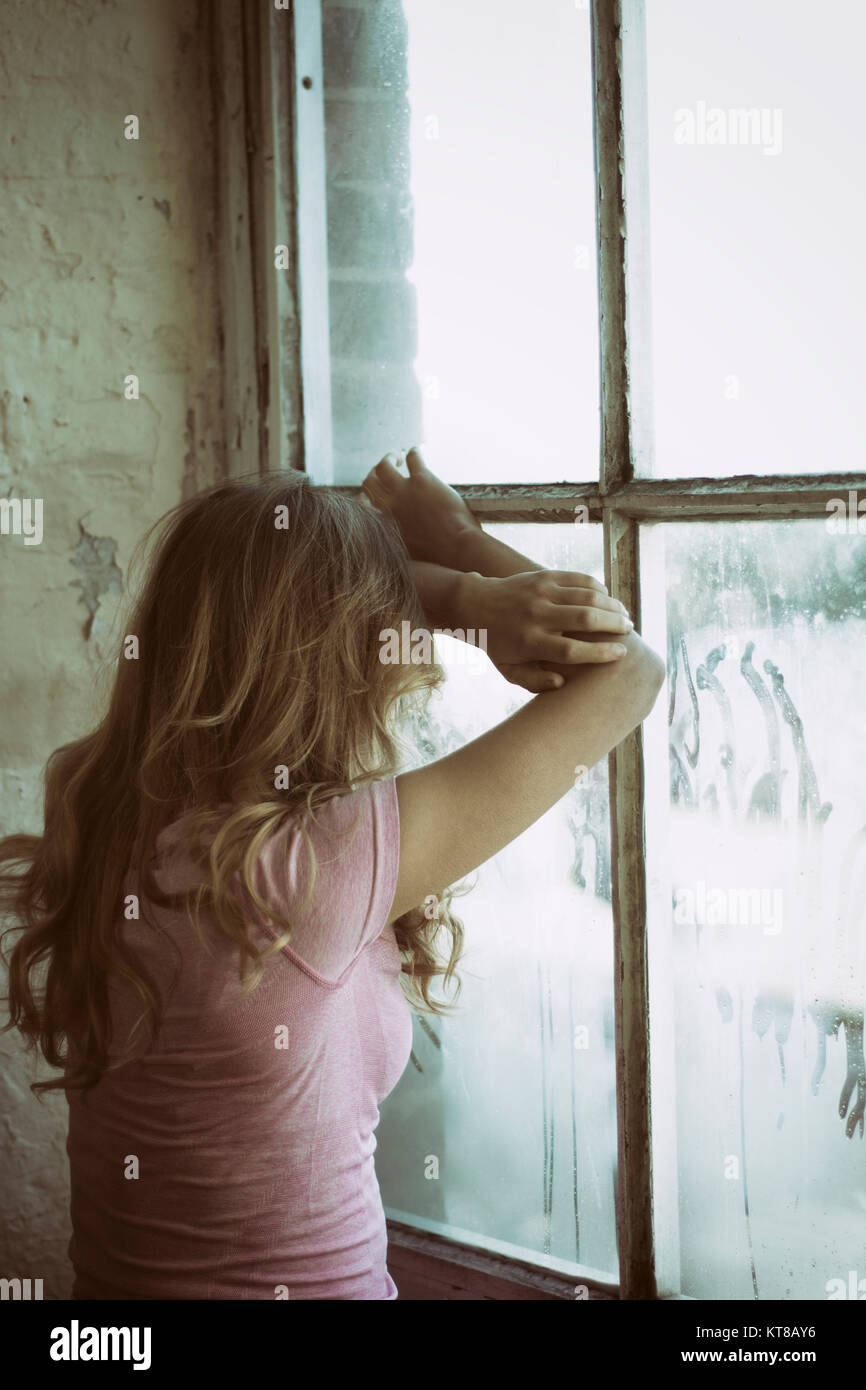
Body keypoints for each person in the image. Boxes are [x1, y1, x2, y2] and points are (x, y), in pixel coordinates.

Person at [0, 448, 665, 1300]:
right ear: (351, 656)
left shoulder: (106, 815)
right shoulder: (308, 864)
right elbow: (627, 673)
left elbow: (255, 609)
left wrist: (407, 588)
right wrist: (462, 562)